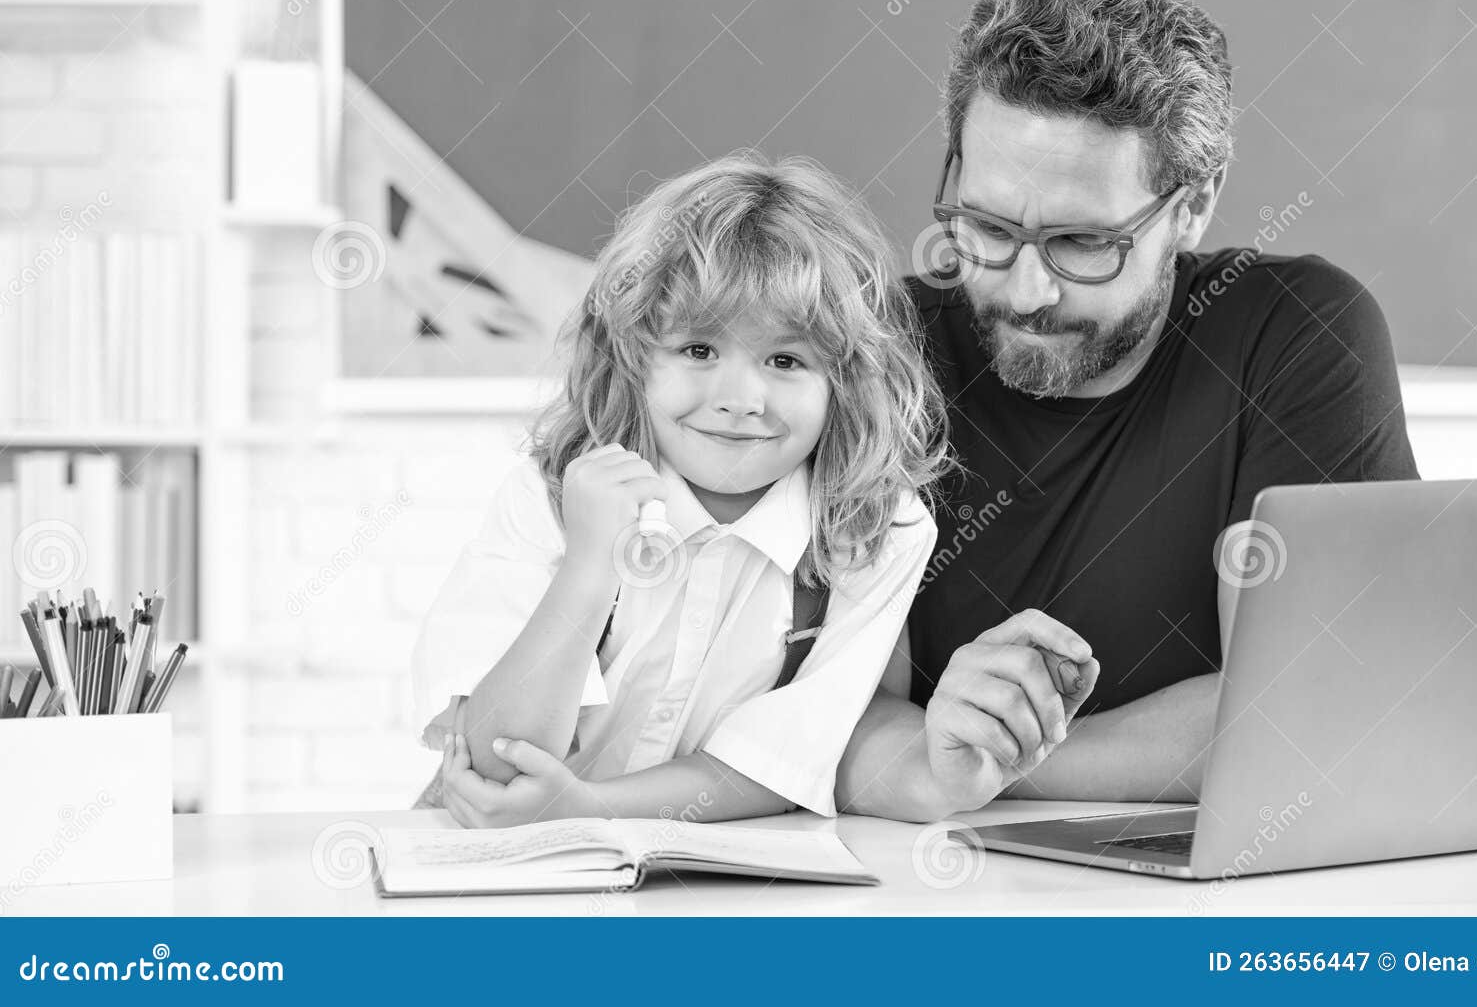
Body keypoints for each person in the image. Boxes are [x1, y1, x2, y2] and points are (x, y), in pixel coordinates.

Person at [835, 0, 1419, 820]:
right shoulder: (876, 347)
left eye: (1082, 244)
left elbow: (1320, 706)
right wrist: (918, 752)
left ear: (1192, 205)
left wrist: (976, 759)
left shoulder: (1296, 335)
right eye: (986, 226)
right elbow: (800, 728)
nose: (1026, 291)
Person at [409, 152, 1088, 827]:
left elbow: (777, 764)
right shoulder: (554, 496)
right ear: (635, 356)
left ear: (843, 382)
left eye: (785, 360)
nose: (739, 399)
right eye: (699, 350)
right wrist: (588, 568)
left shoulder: (875, 535)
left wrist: (589, 809)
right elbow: (494, 764)